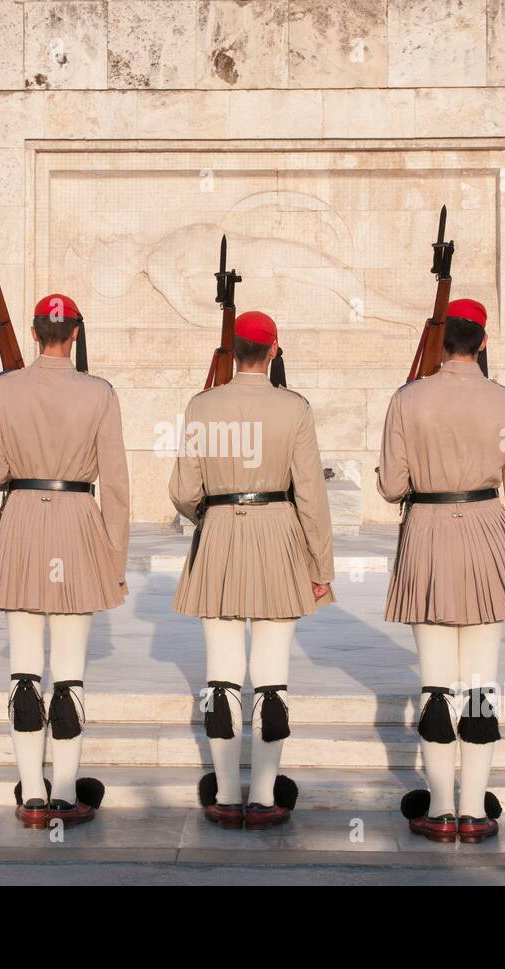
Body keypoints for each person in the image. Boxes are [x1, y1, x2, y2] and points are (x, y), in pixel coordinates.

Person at [377, 298, 505, 844]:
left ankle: (440, 810)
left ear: (440, 342)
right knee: (479, 687)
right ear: (484, 344)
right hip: (487, 533)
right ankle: (475, 811)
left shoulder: (409, 399)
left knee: (435, 685)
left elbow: (392, 487)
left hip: (427, 532)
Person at [169, 310, 335, 830]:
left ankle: (222, 792)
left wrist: (213, 516)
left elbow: (181, 490)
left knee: (220, 676)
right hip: (279, 534)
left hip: (219, 533)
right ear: (274, 349)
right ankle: (263, 795)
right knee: (272, 677)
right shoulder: (294, 408)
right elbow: (310, 493)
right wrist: (320, 564)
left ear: (232, 349)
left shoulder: (203, 405)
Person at [0, 293, 129, 828]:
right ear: (76, 334)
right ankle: (65, 793)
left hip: (21, 520)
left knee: (23, 672)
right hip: (77, 523)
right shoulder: (100, 393)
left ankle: (32, 796)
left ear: (36, 333)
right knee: (70, 676)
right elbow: (117, 484)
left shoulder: (5, 389)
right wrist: (115, 559)